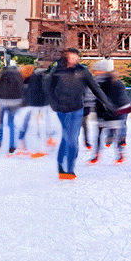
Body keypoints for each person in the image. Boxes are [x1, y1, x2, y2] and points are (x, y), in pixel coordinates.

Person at [47, 48, 113, 180]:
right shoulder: (57, 72)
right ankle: (61, 167)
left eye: (76, 57)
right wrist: (54, 105)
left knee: (73, 140)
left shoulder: (82, 71)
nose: (74, 60)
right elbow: (49, 90)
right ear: (65, 57)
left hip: (77, 110)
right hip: (61, 111)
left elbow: (96, 88)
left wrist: (107, 102)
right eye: (71, 57)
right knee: (66, 139)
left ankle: (70, 168)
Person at [89, 59, 129, 165]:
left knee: (115, 133)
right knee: (99, 134)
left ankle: (120, 154)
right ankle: (97, 154)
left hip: (113, 113)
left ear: (102, 71)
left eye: (96, 70)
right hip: (103, 113)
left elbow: (118, 100)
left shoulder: (112, 82)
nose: (95, 72)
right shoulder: (97, 82)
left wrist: (113, 111)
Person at [20, 58, 55, 151]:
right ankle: (44, 143)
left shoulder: (30, 78)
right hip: (42, 103)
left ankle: (23, 142)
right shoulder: (44, 77)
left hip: (33, 103)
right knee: (42, 122)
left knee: (30, 122)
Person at [0, 63, 25, 154]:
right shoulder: (19, 75)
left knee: (1, 122)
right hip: (15, 102)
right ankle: (11, 147)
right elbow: (21, 88)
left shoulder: (3, 74)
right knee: (11, 123)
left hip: (4, 101)